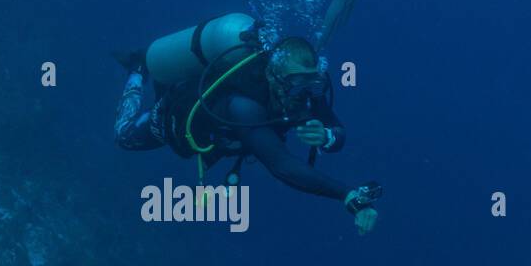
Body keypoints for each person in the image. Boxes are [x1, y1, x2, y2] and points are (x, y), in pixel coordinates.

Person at [114, 24, 381, 233]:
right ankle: (137, 70)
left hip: (222, 139)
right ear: (273, 77)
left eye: (312, 85)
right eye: (297, 86)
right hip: (175, 120)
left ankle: (155, 72)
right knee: (124, 136)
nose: (306, 95)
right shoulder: (243, 106)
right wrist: (346, 194)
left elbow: (338, 131)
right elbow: (282, 165)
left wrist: (328, 136)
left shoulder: (306, 89)